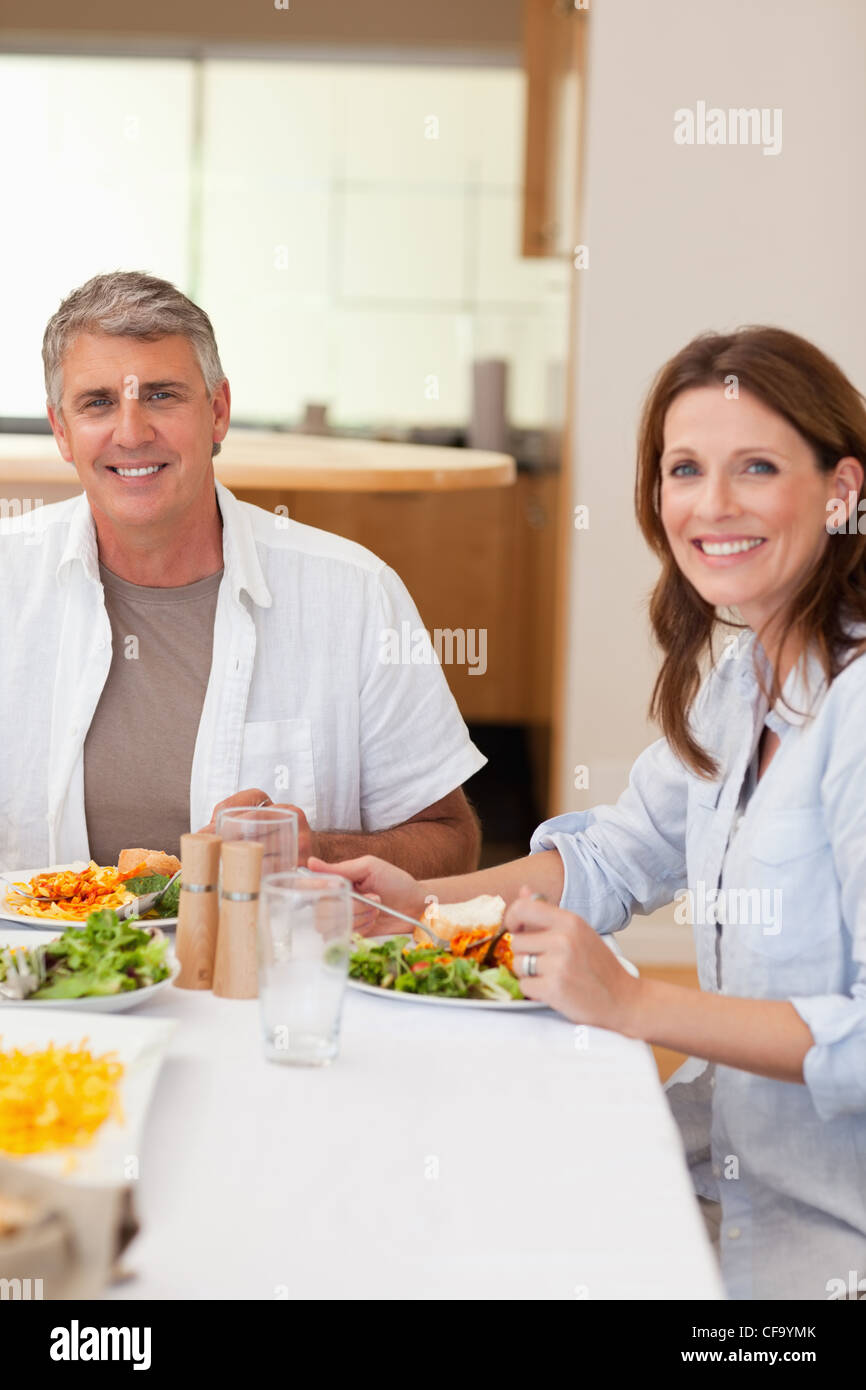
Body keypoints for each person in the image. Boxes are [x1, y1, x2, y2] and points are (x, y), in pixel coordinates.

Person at [313, 326, 866, 1300]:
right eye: (683, 468)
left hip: (826, 1241)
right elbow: (617, 853)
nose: (711, 504)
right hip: (719, 1174)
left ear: (839, 490)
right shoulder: (744, 678)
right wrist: (425, 899)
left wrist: (631, 1005)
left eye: (755, 468)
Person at [0, 271, 484, 871]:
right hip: (37, 966)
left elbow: (451, 841)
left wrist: (317, 851)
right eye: (98, 402)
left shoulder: (354, 593)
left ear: (219, 412)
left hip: (270, 959)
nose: (131, 432)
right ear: (62, 432)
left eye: (161, 395)